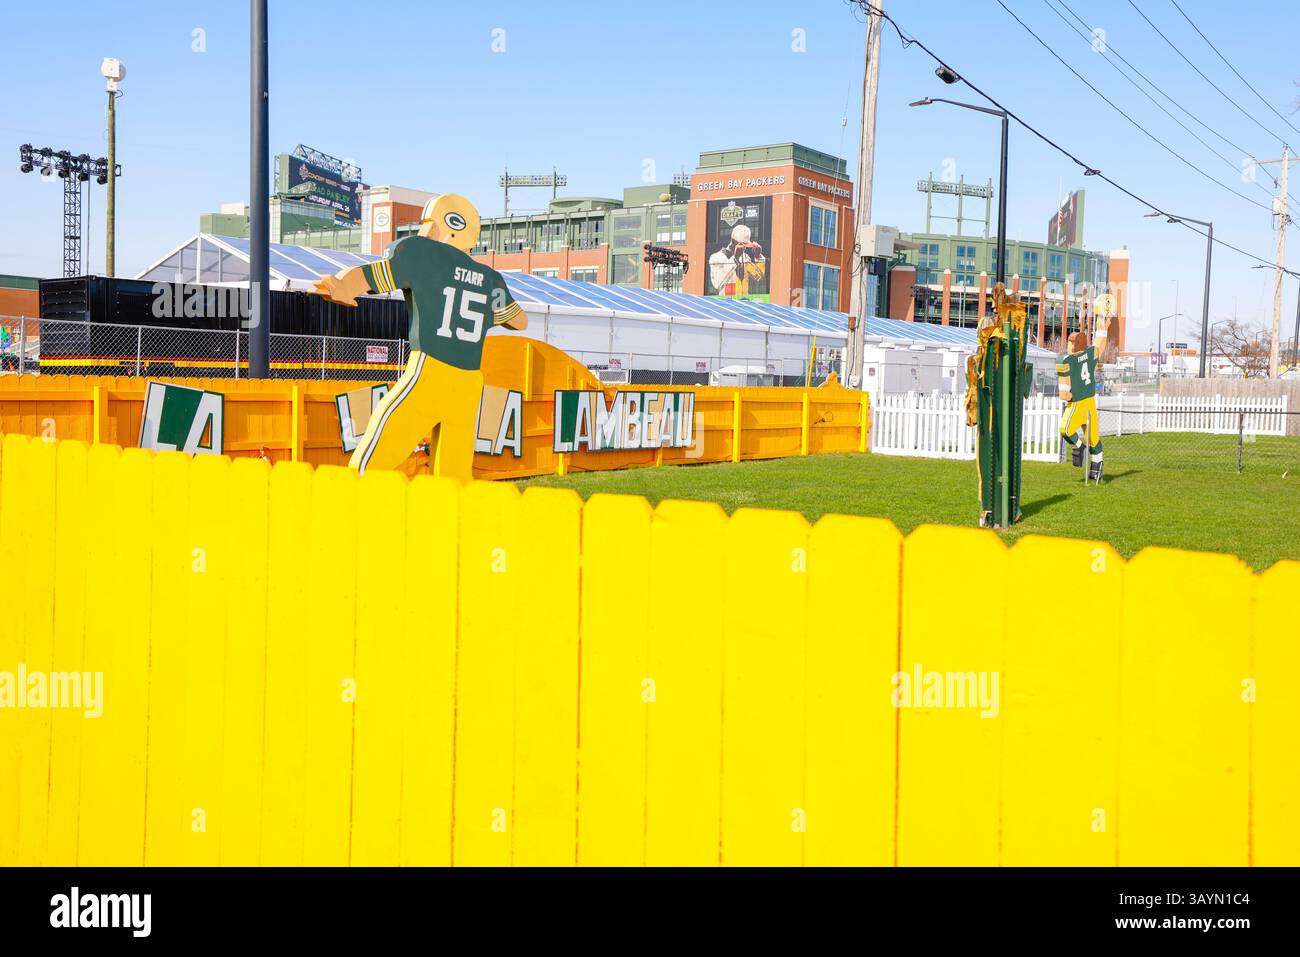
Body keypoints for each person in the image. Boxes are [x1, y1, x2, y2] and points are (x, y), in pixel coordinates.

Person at [313, 194, 527, 481]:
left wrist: (342, 286)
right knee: (453, 472)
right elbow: (518, 320)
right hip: (468, 381)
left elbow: (373, 274)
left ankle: (354, 504)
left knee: (376, 455)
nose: (425, 230)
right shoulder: (490, 278)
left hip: (431, 369)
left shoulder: (422, 254)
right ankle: (450, 522)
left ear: (448, 226)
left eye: (429, 223)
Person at [1057, 314, 1111, 483]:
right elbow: (1100, 345)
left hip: (1079, 402)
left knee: (1065, 428)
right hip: (1090, 401)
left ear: (1074, 345)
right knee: (1094, 436)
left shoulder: (1068, 360)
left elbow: (1064, 391)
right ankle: (1097, 467)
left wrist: (1067, 394)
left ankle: (1079, 447)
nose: (1068, 345)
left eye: (1070, 342)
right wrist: (1103, 327)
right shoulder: (1090, 354)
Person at [708, 224, 767, 298]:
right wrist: (735, 259)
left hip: (744, 302)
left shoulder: (745, 257)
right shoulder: (716, 258)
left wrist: (758, 257)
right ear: (733, 241)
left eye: (745, 245)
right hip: (727, 303)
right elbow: (717, 283)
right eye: (741, 244)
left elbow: (759, 276)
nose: (744, 248)